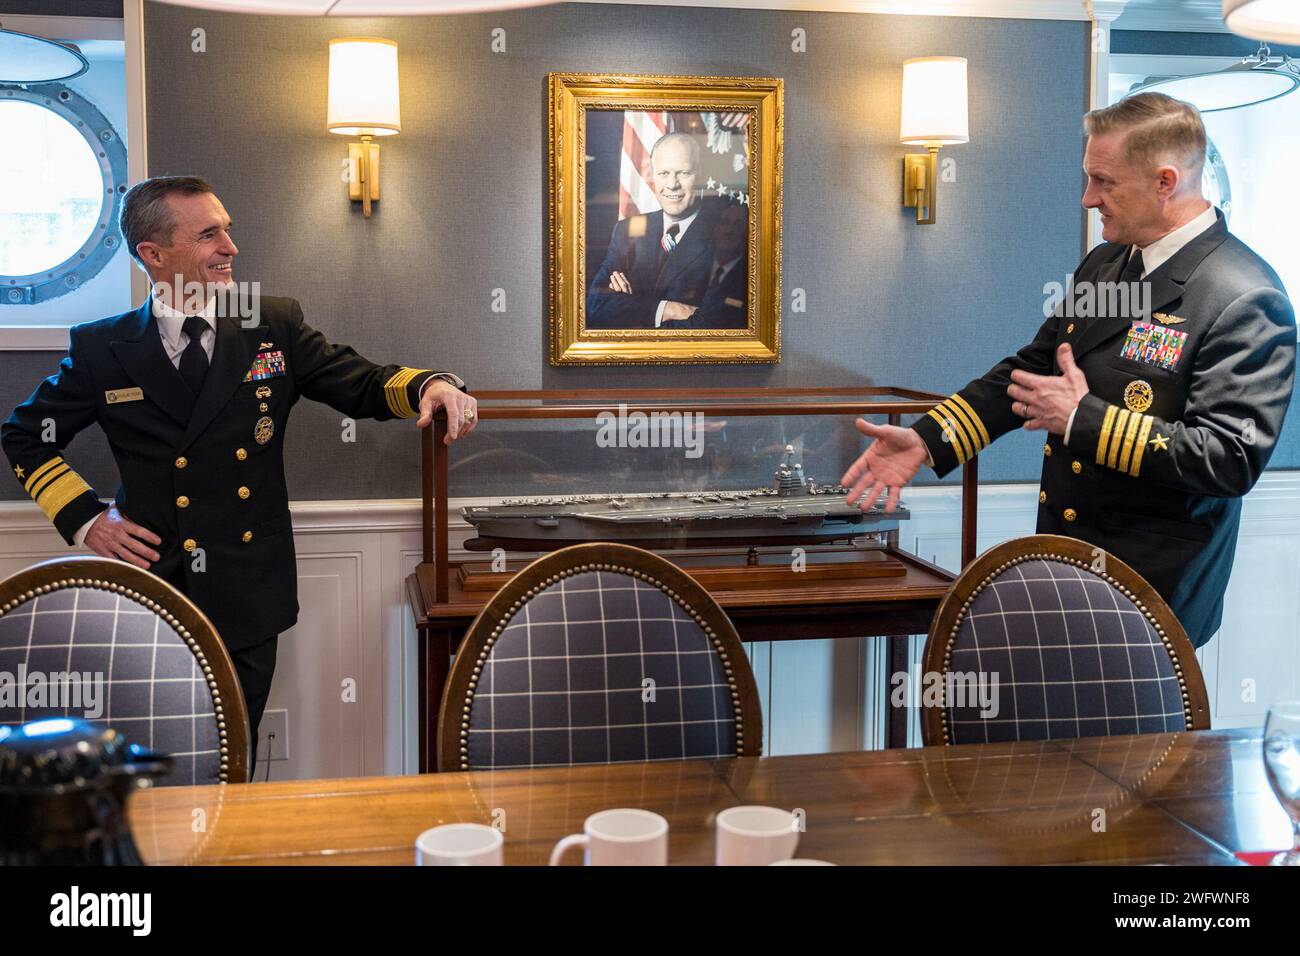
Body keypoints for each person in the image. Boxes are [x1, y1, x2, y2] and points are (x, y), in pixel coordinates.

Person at [1, 176, 478, 763]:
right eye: (209, 234)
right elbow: (25, 435)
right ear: (154, 255)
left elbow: (357, 380)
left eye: (227, 229)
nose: (230, 247)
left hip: (246, 588)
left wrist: (430, 384)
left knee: (234, 750)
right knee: (156, 751)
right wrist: (85, 521)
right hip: (157, 582)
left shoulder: (270, 324)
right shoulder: (105, 347)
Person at [840, 93, 1295, 648]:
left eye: (1104, 182)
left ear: (1164, 181)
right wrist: (930, 440)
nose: (1087, 199)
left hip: (1151, 600)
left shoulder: (1245, 296)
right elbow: (1032, 371)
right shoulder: (1108, 262)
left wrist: (1085, 419)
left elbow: (1227, 459)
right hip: (1066, 569)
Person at [586, 132, 719, 330]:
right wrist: (670, 309)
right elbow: (596, 306)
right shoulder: (626, 231)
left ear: (700, 175)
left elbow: (712, 324)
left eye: (683, 173)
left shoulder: (724, 235)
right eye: (664, 173)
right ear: (652, 176)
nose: (672, 184)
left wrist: (628, 310)